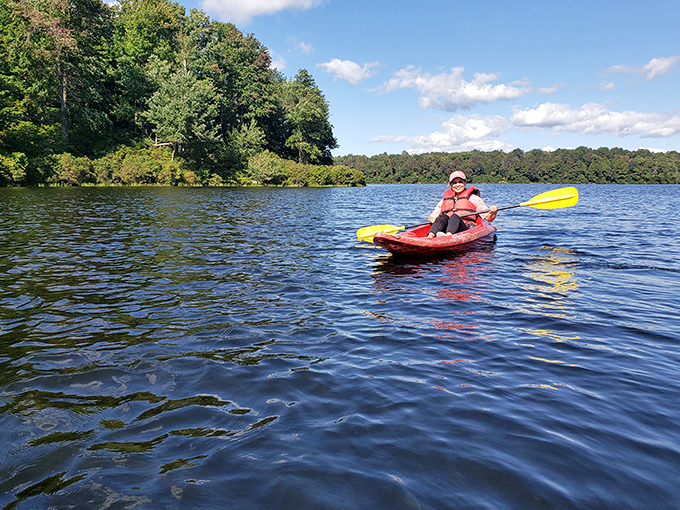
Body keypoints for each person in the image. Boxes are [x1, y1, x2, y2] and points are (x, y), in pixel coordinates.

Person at [426, 171, 498, 238]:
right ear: (450, 184)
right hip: (446, 228)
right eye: (454, 183)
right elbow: (430, 218)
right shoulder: (444, 200)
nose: (457, 185)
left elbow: (488, 218)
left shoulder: (474, 198)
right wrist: (433, 219)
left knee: (454, 217)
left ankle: (447, 237)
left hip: (465, 229)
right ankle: (430, 237)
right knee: (443, 217)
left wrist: (493, 212)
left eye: (460, 182)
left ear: (465, 182)